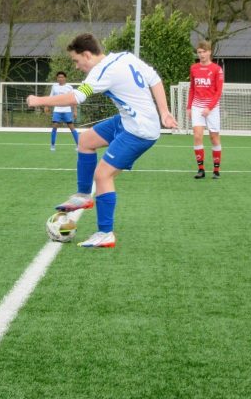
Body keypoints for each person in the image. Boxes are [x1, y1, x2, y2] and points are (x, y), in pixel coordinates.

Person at [26, 33, 178, 248]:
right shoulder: (125, 57)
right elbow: (155, 79)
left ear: (87, 55)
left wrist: (39, 100)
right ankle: (83, 195)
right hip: (128, 121)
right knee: (85, 141)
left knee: (103, 174)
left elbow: (75, 97)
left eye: (76, 61)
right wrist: (164, 112)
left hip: (139, 131)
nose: (76, 67)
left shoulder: (101, 72)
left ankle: (105, 233)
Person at [187, 40, 224, 179]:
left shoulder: (216, 69)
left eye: (204, 52)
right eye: (199, 52)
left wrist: (210, 107)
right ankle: (201, 169)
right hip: (197, 106)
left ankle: (216, 170)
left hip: (212, 108)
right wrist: (189, 107)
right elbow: (192, 88)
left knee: (214, 138)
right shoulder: (194, 68)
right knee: (197, 135)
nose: (201, 54)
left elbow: (218, 91)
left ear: (209, 52)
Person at [47, 71, 80, 151]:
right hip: (57, 110)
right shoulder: (54, 86)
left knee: (72, 128)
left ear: (65, 78)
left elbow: (73, 99)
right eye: (59, 77)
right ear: (57, 78)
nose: (60, 79)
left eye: (62, 77)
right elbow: (50, 97)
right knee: (54, 127)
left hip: (67, 110)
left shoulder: (69, 87)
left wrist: (75, 111)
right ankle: (52, 145)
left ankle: (79, 145)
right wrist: (46, 106)